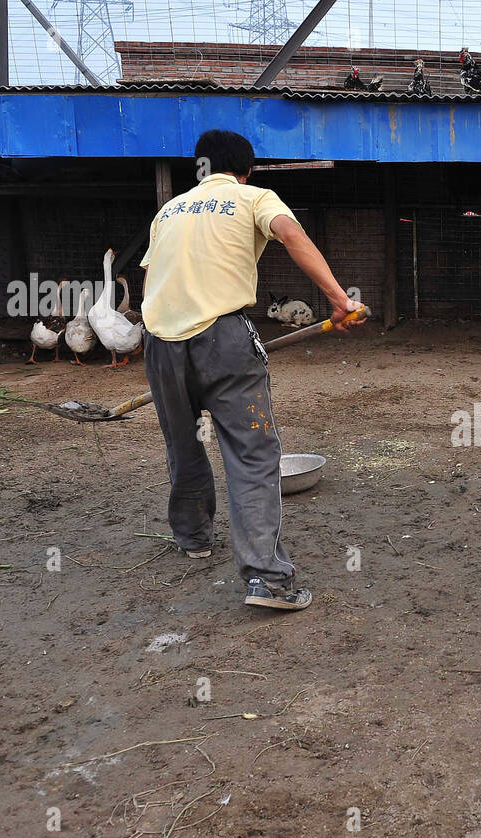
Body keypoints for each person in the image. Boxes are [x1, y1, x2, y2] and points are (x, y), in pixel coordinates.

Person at [139, 129, 362, 611]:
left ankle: (194, 537)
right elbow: (291, 233)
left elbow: (155, 276)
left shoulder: (169, 210)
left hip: (157, 341)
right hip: (223, 339)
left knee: (183, 441)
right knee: (253, 454)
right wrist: (339, 300)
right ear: (247, 169)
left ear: (200, 167)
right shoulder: (253, 196)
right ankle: (267, 579)